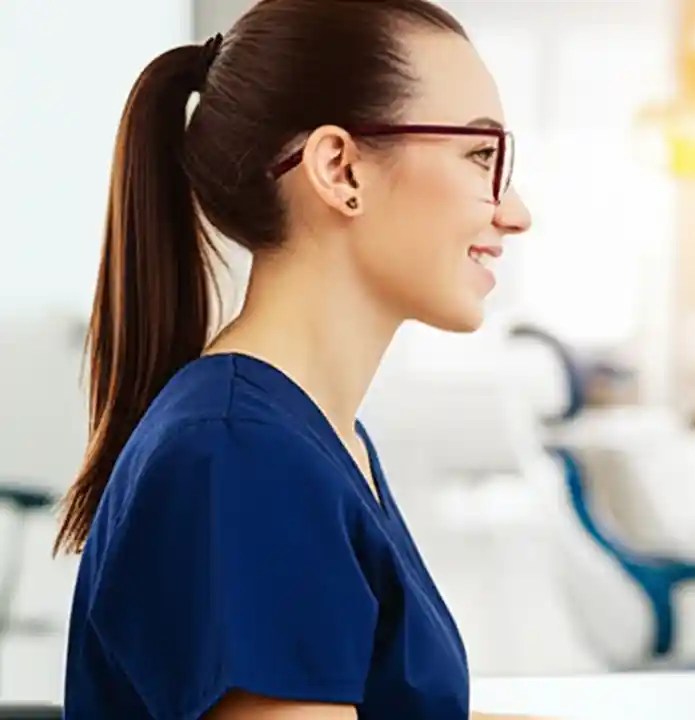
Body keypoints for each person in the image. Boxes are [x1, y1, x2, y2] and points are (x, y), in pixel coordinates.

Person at [57, 1, 539, 717]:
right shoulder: (241, 457)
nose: (516, 210)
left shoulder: (306, 436)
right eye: (479, 156)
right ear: (341, 169)